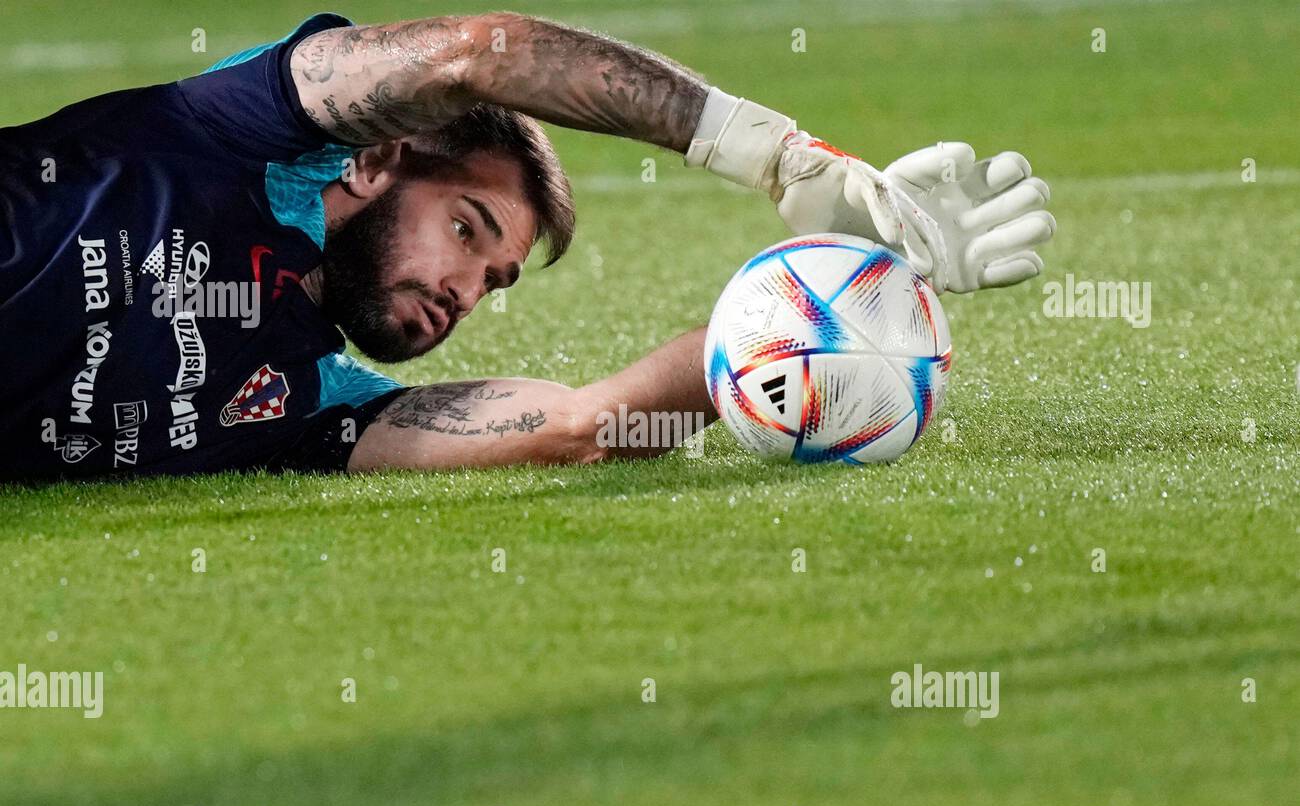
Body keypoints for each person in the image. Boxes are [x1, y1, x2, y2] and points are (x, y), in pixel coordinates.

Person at [0, 12, 1053, 480]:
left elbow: (586, 425)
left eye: (493, 278)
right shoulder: (228, 135)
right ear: (378, 159)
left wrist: (849, 295)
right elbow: (472, 57)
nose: (466, 290)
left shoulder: (302, 399)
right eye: (468, 229)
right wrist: (781, 160)